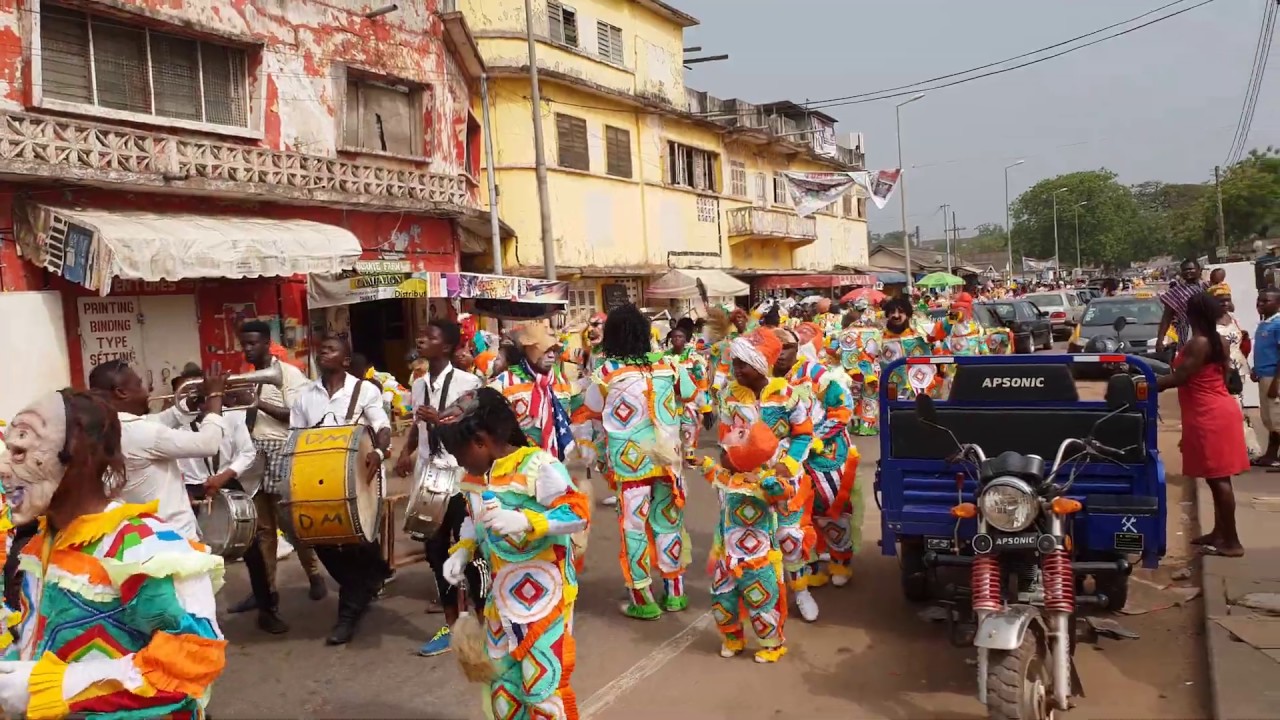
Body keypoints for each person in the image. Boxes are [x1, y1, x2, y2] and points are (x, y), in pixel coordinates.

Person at [0, 390, 225, 716]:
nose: (4, 468)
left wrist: (58, 686)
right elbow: (35, 642)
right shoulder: (43, 543)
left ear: (78, 456)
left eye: (20, 451)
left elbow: (194, 663)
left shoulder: (143, 548)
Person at [435, 387, 588, 720]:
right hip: (500, 602)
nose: (459, 463)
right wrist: (462, 550)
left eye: (460, 454)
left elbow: (577, 514)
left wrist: (526, 520)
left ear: (480, 441)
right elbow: (474, 522)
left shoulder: (539, 466)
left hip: (546, 601)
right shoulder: (475, 477)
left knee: (542, 689)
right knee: (503, 689)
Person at [585, 304, 694, 619]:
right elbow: (688, 392)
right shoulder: (668, 365)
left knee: (633, 526)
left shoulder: (607, 371)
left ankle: (642, 598)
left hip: (630, 462)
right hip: (666, 457)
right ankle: (674, 592)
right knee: (668, 523)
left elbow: (591, 407)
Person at [703, 327, 804, 662]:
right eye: (733, 364)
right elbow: (726, 437)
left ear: (761, 365)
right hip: (737, 487)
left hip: (778, 486)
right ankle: (732, 635)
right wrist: (727, 458)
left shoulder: (788, 395)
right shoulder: (731, 396)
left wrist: (785, 467)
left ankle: (788, 609)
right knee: (726, 562)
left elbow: (804, 435)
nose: (736, 370)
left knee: (782, 547)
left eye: (742, 364)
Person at [289, 335, 394, 645]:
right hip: (318, 484)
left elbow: (383, 427)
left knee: (356, 543)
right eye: (321, 349)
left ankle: (347, 616)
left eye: (331, 350)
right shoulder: (304, 397)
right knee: (320, 539)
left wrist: (379, 451)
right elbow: (296, 440)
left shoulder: (365, 391)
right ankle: (368, 580)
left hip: (362, 479)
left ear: (346, 361)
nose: (323, 352)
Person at [394, 320, 483, 656]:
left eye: (429, 337)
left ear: (445, 347)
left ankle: (483, 622)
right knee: (434, 552)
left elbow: (473, 428)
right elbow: (418, 424)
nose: (421, 338)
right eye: (423, 334)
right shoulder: (418, 384)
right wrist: (406, 452)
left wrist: (440, 420)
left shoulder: (467, 382)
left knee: (469, 551)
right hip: (429, 478)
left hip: (459, 477)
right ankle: (451, 624)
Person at [230, 321, 327, 618]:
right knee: (262, 530)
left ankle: (314, 574)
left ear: (267, 343)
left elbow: (298, 416)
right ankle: (265, 590)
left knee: (292, 524)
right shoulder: (248, 377)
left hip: (282, 451)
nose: (248, 349)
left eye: (253, 343)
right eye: (244, 344)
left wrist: (257, 404)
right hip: (255, 455)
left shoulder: (288, 374)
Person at [88, 359, 226, 542]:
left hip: (148, 537)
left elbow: (158, 422)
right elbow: (208, 443)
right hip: (176, 538)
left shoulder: (109, 426)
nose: (147, 392)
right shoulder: (138, 432)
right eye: (139, 385)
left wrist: (191, 403)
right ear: (121, 392)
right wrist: (215, 397)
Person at [1158, 293, 1250, 557]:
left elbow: (1181, 378)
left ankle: (1231, 542)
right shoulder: (1215, 340)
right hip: (1213, 410)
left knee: (1219, 479)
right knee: (1214, 478)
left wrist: (1144, 385)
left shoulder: (1199, 343)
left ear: (1192, 315)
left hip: (1209, 413)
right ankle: (1219, 532)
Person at [787, 323, 861, 591]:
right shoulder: (770, 379)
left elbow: (843, 409)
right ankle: (811, 565)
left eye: (788, 347)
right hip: (790, 456)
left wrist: (815, 438)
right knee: (797, 514)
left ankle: (841, 560)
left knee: (830, 509)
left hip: (825, 454)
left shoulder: (816, 374)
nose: (781, 354)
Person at [1210, 287, 1263, 462]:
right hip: (1219, 370)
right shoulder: (1208, 323)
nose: (1225, 303)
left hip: (1238, 369)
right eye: (1220, 300)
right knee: (1226, 411)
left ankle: (1243, 450)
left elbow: (1242, 343)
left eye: (1227, 299)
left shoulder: (1233, 319)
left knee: (1237, 408)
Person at [880, 297, 944, 400]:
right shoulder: (880, 337)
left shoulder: (920, 331)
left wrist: (952, 319)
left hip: (924, 388)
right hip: (894, 391)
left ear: (908, 314)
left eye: (900, 312)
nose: (896, 315)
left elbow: (939, 333)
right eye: (892, 312)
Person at [666, 324, 710, 468]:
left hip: (691, 400)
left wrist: (705, 406)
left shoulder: (694, 358)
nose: (677, 339)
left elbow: (701, 380)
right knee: (670, 429)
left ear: (686, 339)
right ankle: (673, 457)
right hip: (670, 400)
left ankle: (689, 457)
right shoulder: (665, 358)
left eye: (680, 337)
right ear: (670, 340)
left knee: (689, 429)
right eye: (674, 337)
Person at [1156, 259, 1208, 353]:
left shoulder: (1208, 287)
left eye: (1191, 269)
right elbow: (1166, 318)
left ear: (1199, 270)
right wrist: (1160, 340)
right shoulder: (1175, 293)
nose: (1188, 272)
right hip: (1187, 333)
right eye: (1185, 270)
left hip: (1209, 330)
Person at [1252, 289, 1280, 465]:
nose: (1260, 304)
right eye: (1259, 301)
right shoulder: (1264, 324)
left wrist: (1275, 383)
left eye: (1266, 301)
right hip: (1264, 376)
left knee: (1277, 417)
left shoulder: (1277, 324)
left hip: (1274, 377)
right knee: (1269, 419)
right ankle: (1271, 454)